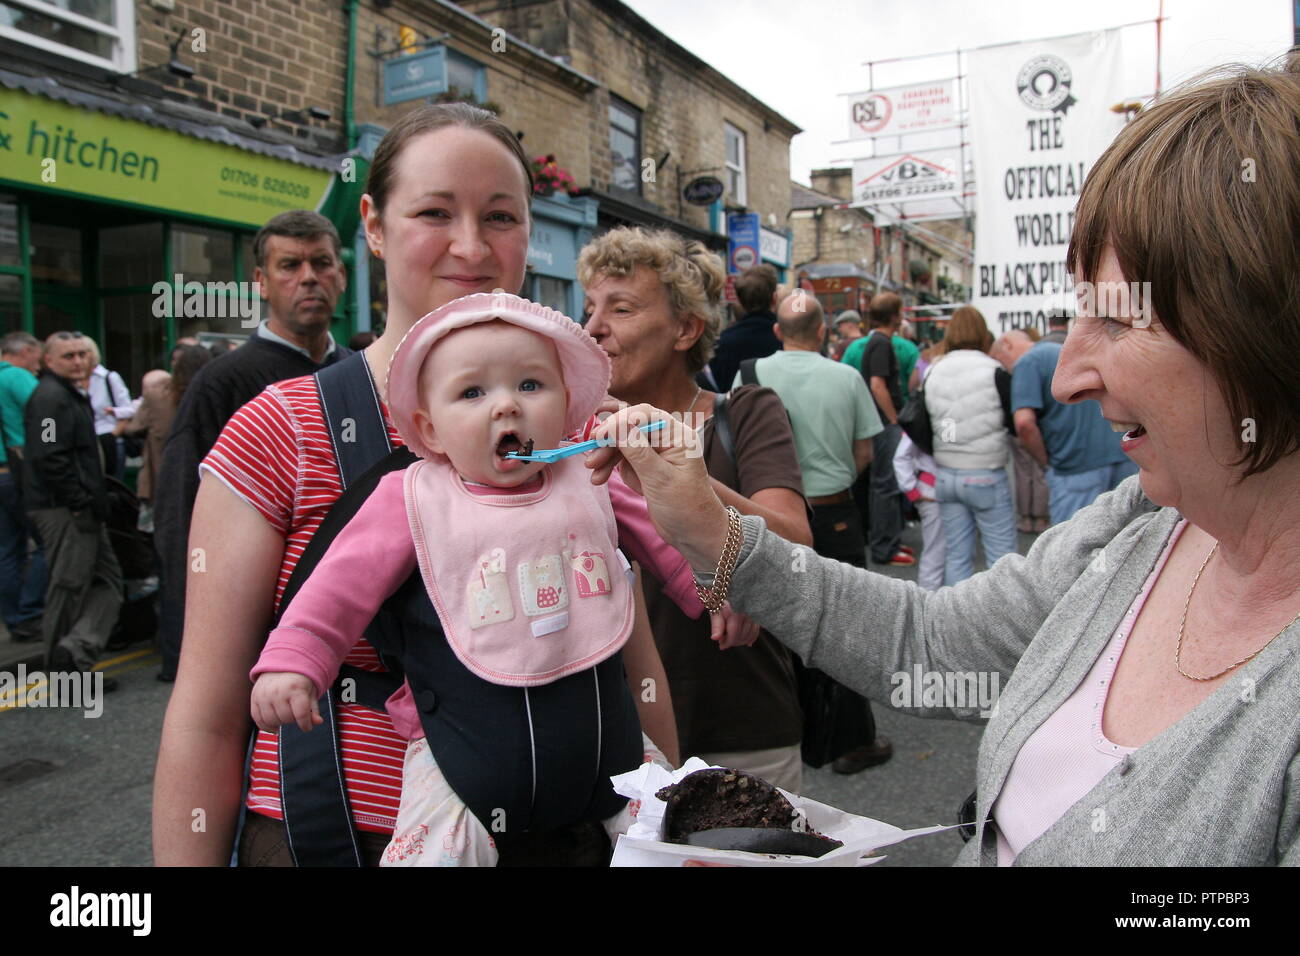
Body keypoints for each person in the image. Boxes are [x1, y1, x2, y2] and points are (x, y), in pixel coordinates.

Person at [586, 57, 1300, 865]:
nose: (1068, 374)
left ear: (1264, 329)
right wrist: (713, 533)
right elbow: (934, 642)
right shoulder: (1142, 526)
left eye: (1116, 318)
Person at [152, 103, 673, 867]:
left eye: (501, 216)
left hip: (562, 833)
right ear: (372, 223)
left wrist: (662, 829)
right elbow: (207, 710)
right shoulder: (283, 427)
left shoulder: (574, 419)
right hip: (334, 840)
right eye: (435, 212)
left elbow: (624, 648)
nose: (471, 245)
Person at [249, 293, 706, 865]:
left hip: (607, 744)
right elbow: (338, 587)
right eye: (472, 392)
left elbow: (663, 536)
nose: (506, 407)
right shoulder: (411, 498)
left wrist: (712, 589)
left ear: (569, 406)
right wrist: (295, 659)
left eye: (531, 385)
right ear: (429, 428)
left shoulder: (591, 475)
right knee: (431, 854)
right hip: (458, 757)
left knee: (673, 831)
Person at [579, 226, 813, 793]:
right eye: (589, 308)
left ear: (686, 328)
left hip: (742, 720)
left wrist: (673, 466)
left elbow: (796, 545)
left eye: (622, 308)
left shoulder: (745, 411)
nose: (593, 329)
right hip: (619, 731)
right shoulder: (574, 433)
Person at [152, 210, 351, 682]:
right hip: (261, 641)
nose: (309, 278)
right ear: (261, 281)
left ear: (341, 276)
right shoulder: (222, 382)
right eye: (290, 266)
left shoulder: (358, 373)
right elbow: (180, 513)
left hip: (354, 632)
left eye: (322, 263)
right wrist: (191, 650)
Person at [730, 291, 893, 773]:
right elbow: (865, 451)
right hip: (834, 511)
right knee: (845, 621)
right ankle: (849, 741)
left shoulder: (747, 374)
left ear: (778, 332)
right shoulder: (846, 376)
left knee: (778, 620)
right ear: (822, 332)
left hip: (771, 514)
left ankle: (792, 730)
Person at [22, 332, 122, 687]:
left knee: (109, 582)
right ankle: (64, 673)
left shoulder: (69, 394)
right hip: (63, 509)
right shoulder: (50, 399)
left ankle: (75, 650)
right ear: (49, 361)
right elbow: (48, 454)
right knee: (69, 585)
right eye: (68, 356)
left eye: (82, 354)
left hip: (82, 507)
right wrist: (78, 502)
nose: (78, 361)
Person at [1012, 312, 1138, 526]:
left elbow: (1024, 423)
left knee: (1072, 549)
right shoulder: (1104, 350)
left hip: (1075, 467)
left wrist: (1046, 464)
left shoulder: (1032, 360)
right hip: (1122, 458)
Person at [924, 306, 1016, 585]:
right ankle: (1003, 623)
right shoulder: (995, 371)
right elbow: (1013, 419)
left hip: (946, 473)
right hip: (985, 471)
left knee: (957, 556)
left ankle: (957, 624)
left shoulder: (933, 369)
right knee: (1002, 559)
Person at [842, 293, 913, 567]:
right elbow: (877, 384)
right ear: (894, 315)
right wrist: (894, 420)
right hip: (885, 424)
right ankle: (885, 547)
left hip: (878, 423)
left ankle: (887, 541)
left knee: (882, 484)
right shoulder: (882, 343)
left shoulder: (875, 341)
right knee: (886, 484)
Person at [0, 331, 46, 642]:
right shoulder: (17, 377)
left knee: (7, 550)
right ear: (26, 351)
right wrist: (51, 447)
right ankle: (33, 612)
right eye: (38, 356)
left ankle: (14, 618)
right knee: (47, 543)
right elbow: (46, 415)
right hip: (20, 473)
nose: (39, 363)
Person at [993, 330, 1050, 533]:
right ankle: (1041, 518)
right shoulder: (1031, 367)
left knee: (1022, 474)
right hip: (1035, 427)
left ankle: (1025, 517)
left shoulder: (1000, 373)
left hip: (1012, 430)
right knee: (1040, 473)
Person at [706, 263, 781, 392]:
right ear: (774, 299)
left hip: (736, 410)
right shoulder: (785, 338)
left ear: (740, 301)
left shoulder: (724, 342)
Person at [892, 431, 945, 591]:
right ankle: (928, 604)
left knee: (957, 554)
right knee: (936, 551)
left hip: (949, 490)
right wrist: (912, 490)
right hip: (932, 491)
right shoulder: (924, 412)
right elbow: (901, 456)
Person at [83, 338, 133, 481]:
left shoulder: (109, 378)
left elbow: (128, 409)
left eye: (82, 354)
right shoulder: (70, 383)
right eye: (71, 356)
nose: (78, 361)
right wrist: (49, 440)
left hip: (108, 440)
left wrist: (112, 435)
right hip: (86, 442)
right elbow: (48, 422)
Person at [892, 318, 920, 406]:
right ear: (908, 333)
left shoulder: (876, 342)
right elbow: (914, 382)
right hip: (904, 403)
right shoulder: (911, 349)